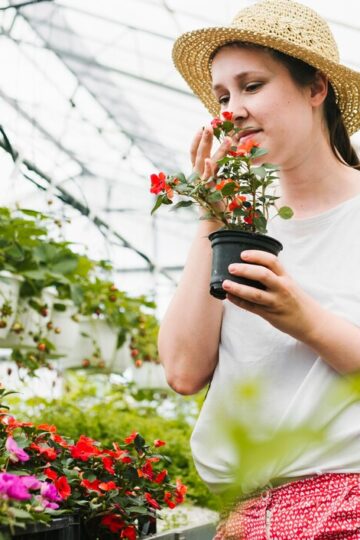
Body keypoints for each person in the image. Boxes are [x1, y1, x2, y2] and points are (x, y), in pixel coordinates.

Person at [159, 0, 360, 537]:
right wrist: (212, 214)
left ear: (316, 87)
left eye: (252, 86)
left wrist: (305, 321)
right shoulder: (238, 227)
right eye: (222, 96)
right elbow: (182, 370)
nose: (231, 110)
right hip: (246, 520)